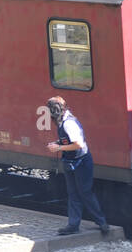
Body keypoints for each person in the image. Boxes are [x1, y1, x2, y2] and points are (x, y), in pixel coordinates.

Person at [44, 96, 109, 235]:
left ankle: (101, 221)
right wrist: (58, 143)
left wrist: (58, 148)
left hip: (81, 161)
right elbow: (70, 140)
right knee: (74, 193)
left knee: (84, 192)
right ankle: (74, 225)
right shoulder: (66, 119)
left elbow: (78, 144)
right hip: (72, 161)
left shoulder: (68, 123)